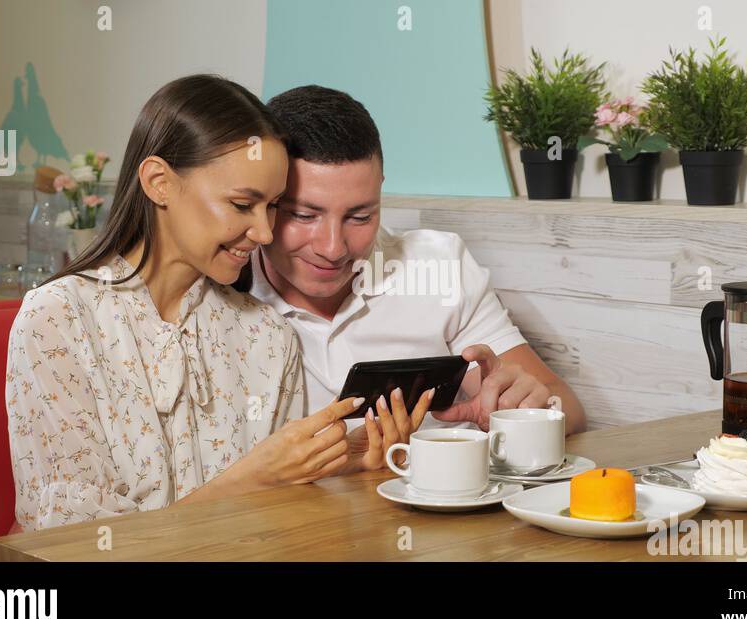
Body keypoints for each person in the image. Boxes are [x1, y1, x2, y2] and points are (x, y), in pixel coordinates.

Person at [6, 75, 372, 531]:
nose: (264, 233)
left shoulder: (268, 335)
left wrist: (347, 463)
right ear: (159, 182)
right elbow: (71, 544)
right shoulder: (58, 321)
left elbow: (285, 525)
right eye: (242, 205)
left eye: (274, 206)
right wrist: (247, 482)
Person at [238, 85, 586, 470]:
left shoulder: (439, 267)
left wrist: (522, 409)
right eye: (304, 216)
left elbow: (565, 406)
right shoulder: (218, 295)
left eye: (360, 216)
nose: (334, 247)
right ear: (264, 199)